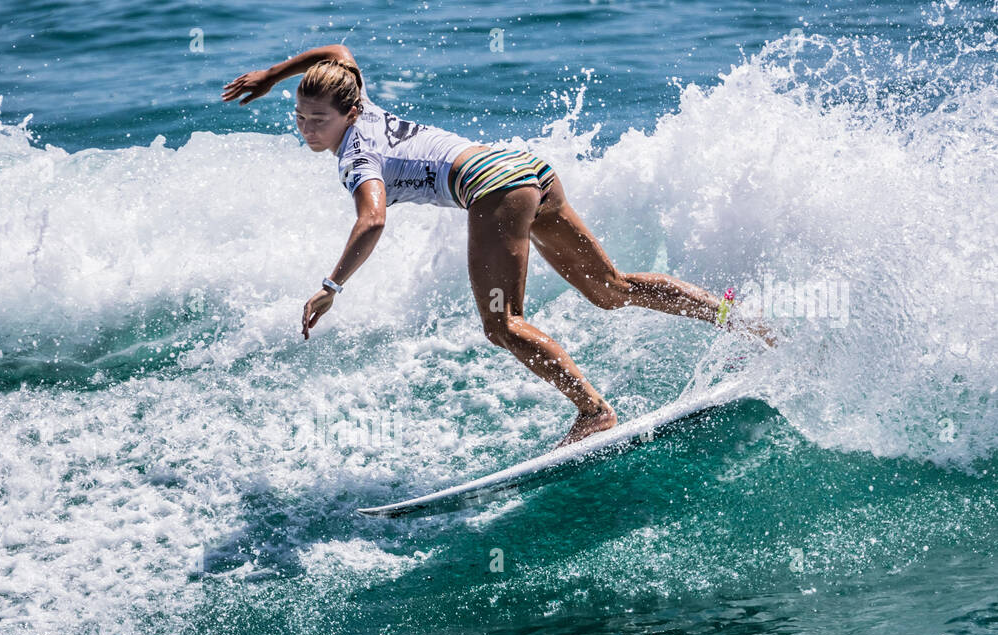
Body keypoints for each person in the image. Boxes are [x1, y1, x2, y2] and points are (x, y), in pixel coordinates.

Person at [223, 44, 764, 446]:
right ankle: (740, 319)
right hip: (527, 168)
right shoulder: (360, 99)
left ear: (348, 114)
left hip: (495, 187)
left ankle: (594, 413)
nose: (308, 129)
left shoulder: (356, 158)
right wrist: (274, 75)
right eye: (299, 118)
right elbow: (338, 53)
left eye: (319, 120)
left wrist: (331, 286)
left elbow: (372, 221)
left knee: (502, 323)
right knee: (611, 288)